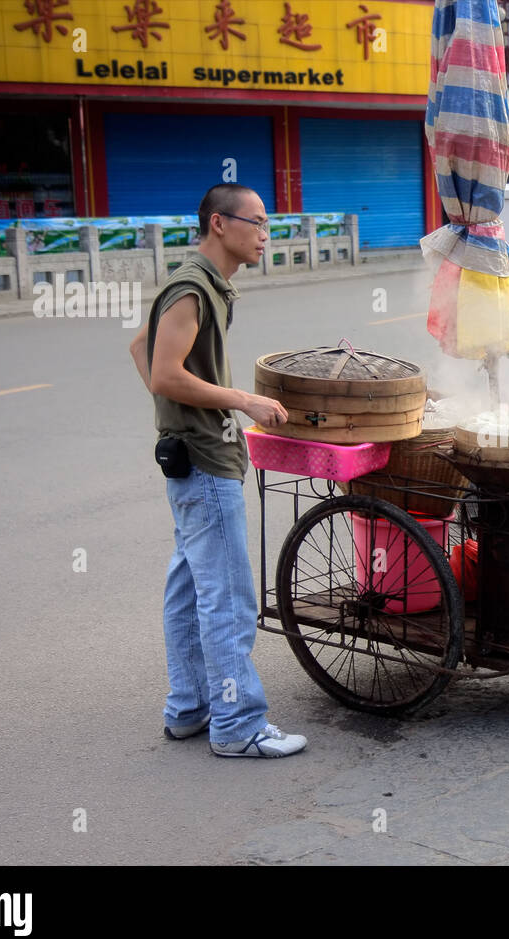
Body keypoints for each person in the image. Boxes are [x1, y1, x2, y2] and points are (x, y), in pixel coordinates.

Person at [129, 184, 308, 759]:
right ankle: (237, 725)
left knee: (189, 586)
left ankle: (189, 709)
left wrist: (176, 418)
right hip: (206, 461)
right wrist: (236, 402)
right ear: (218, 224)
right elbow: (161, 371)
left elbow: (140, 348)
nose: (264, 234)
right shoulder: (192, 287)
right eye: (255, 222)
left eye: (266, 223)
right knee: (227, 595)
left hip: (191, 454)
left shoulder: (202, 283)